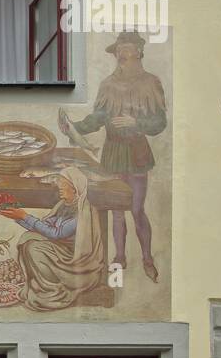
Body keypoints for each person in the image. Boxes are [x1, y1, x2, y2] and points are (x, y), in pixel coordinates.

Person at [62, 31, 166, 282]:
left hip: (137, 153)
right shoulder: (108, 84)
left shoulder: (151, 82)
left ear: (138, 51)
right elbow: (97, 118)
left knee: (137, 209)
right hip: (112, 154)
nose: (121, 54)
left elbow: (160, 122)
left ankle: (147, 258)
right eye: (118, 50)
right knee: (116, 211)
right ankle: (119, 257)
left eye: (126, 49)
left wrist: (136, 121)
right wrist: (75, 128)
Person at [0, 166, 106, 311]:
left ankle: (52, 289)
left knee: (33, 248)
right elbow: (43, 226)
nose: (59, 186)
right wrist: (17, 217)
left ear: (75, 188)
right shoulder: (63, 205)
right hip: (60, 250)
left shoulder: (83, 212)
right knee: (28, 239)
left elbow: (56, 234)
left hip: (74, 261)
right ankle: (44, 283)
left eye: (63, 184)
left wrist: (25, 216)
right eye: (59, 183)